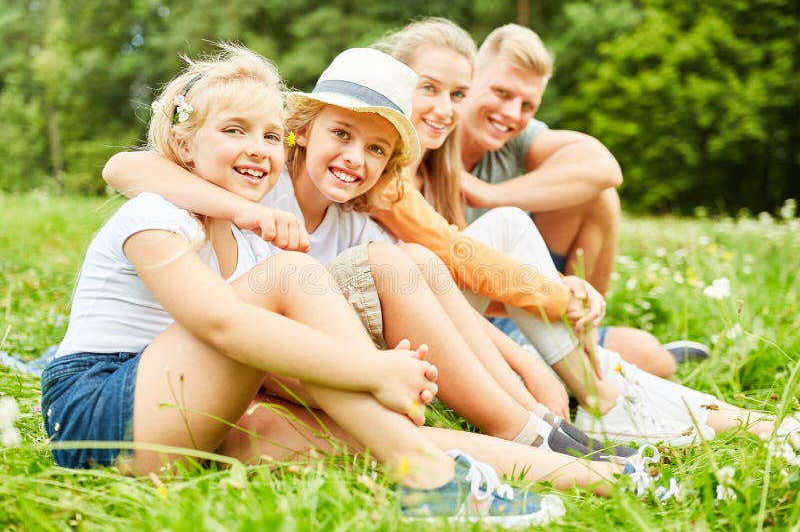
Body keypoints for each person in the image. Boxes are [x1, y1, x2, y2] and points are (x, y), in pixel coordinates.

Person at [53, 42, 667, 525]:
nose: (259, 149)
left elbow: (254, 349)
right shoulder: (156, 214)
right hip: (100, 415)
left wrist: (358, 389)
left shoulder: (247, 239)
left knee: (363, 437)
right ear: (182, 145)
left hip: (175, 423)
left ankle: (608, 476)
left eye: (270, 134)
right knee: (297, 278)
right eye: (234, 131)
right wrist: (371, 372)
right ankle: (425, 479)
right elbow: (226, 326)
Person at [370, 18, 798, 444]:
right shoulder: (382, 174)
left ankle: (761, 426)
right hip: (415, 343)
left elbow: (459, 282)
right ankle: (601, 395)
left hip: (461, 326)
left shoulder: (434, 167)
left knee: (618, 366)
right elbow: (453, 261)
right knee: (512, 230)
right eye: (429, 88)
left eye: (456, 95)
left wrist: (561, 287)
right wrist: (554, 295)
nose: (446, 108)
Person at [458, 24, 710, 376]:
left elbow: (604, 168)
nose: (512, 114)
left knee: (598, 197)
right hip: (469, 320)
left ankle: (579, 331)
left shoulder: (515, 140)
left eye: (528, 105)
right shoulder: (433, 138)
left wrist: (489, 193)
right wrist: (541, 289)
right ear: (469, 79)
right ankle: (572, 362)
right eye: (501, 93)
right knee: (641, 360)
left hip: (518, 305)